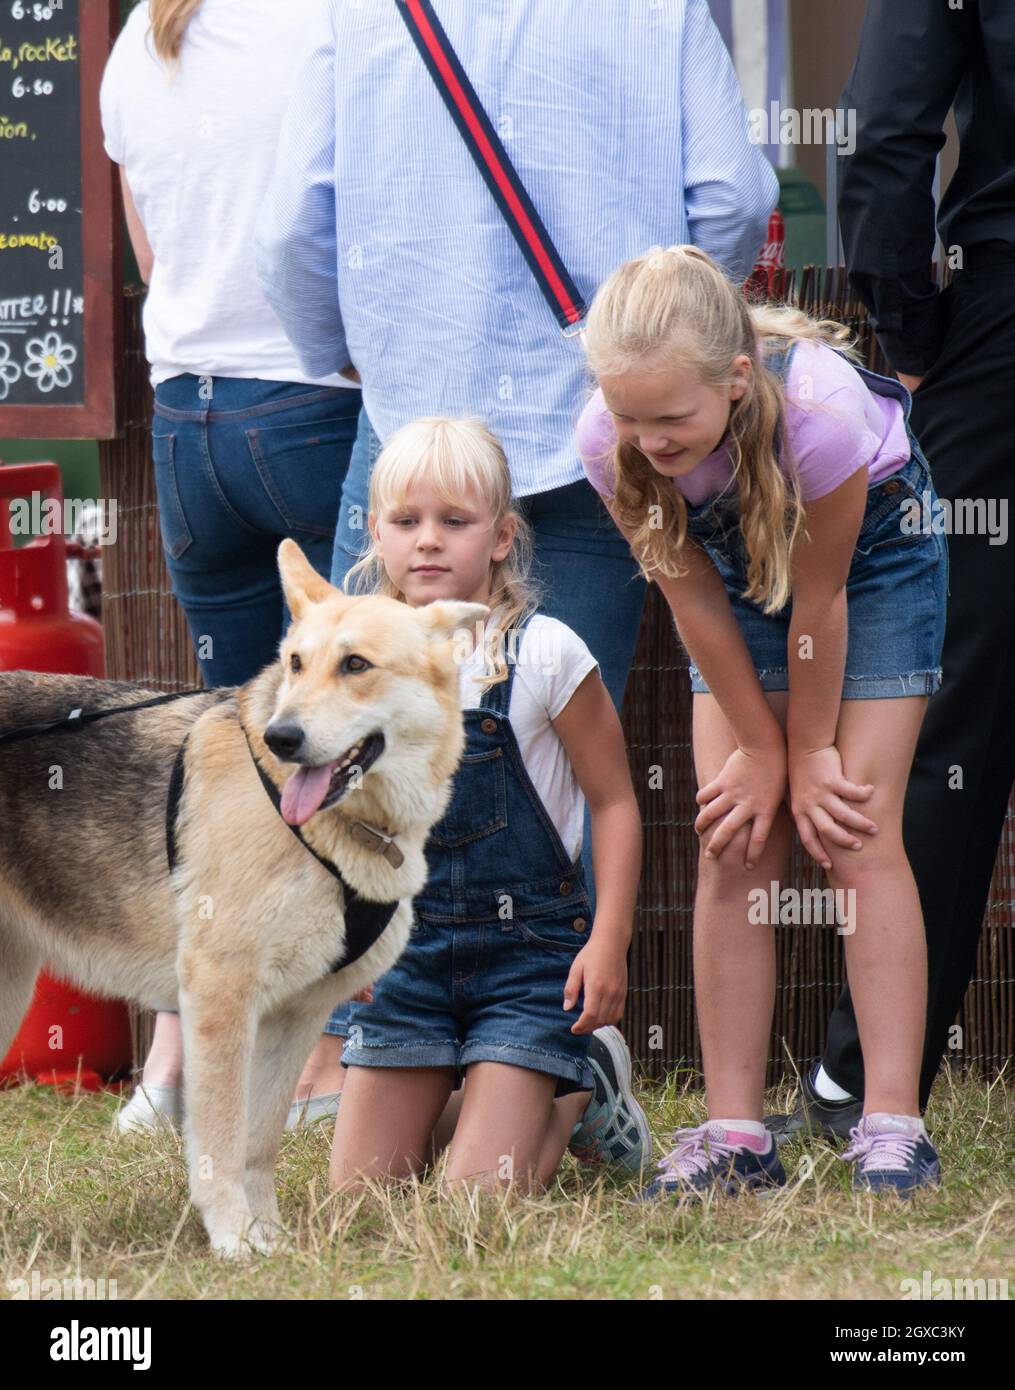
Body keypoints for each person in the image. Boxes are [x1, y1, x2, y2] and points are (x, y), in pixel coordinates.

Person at [254, 0, 778, 1111]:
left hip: (411, 433)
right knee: (558, 774)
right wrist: (660, 343)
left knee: (346, 748)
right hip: (598, 425)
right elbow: (732, 200)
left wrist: (353, 357)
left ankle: (353, 1056)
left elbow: (291, 226)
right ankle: (553, 1058)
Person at [576, 245, 948, 1195]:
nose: (648, 441)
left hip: (867, 563)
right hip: (731, 580)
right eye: (628, 417)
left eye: (671, 419)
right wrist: (755, 748)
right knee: (733, 840)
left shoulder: (818, 421)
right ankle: (737, 1134)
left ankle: (891, 1122)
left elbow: (818, 605)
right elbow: (696, 604)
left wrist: (810, 752)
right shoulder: (606, 442)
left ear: (737, 381)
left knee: (853, 828)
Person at [99, 0, 363, 1132]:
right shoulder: (332, 22)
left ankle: (173, 1056)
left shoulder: (131, 45)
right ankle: (332, 1056)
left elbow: (151, 254)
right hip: (309, 397)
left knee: (230, 748)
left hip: (186, 413)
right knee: (345, 727)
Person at [768, 0, 1015, 1139]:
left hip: (999, 321)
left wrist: (911, 335)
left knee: (951, 703)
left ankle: (873, 1074)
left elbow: (879, 133)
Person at [328, 416, 648, 1189]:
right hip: (410, 956)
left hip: (529, 959)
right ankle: (484, 1093)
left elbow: (613, 804)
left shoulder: (544, 653)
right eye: (406, 522)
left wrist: (606, 945)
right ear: (375, 532)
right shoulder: (352, 664)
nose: (428, 542)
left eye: (455, 522)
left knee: (475, 1203)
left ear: (502, 536)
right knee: (356, 1200)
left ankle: (578, 1087)